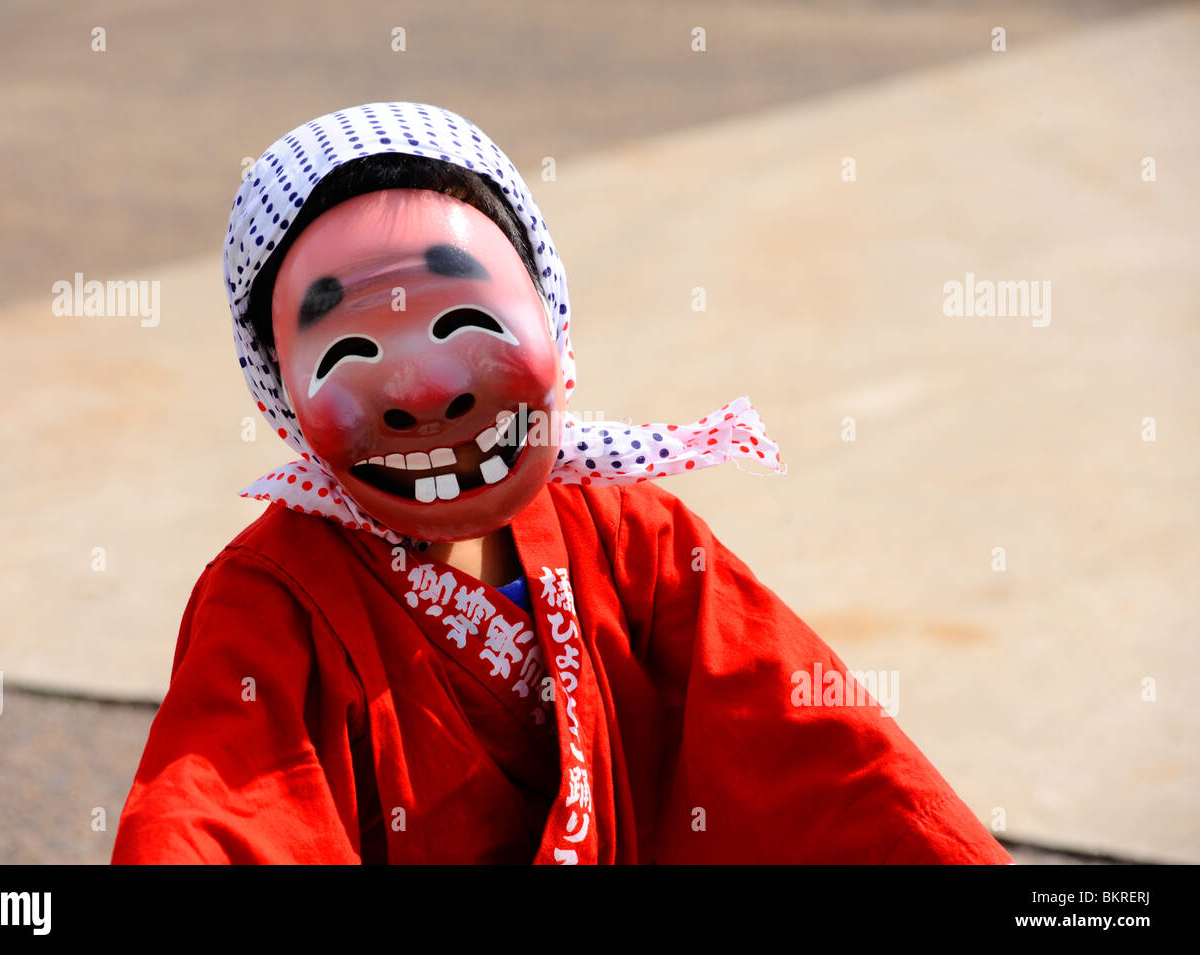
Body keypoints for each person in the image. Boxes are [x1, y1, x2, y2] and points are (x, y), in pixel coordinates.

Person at [110, 101, 1012, 864]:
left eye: (466, 320)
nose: (427, 391)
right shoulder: (275, 601)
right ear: (282, 398)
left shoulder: (639, 543)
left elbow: (826, 759)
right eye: (351, 351)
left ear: (555, 323)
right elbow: (211, 819)